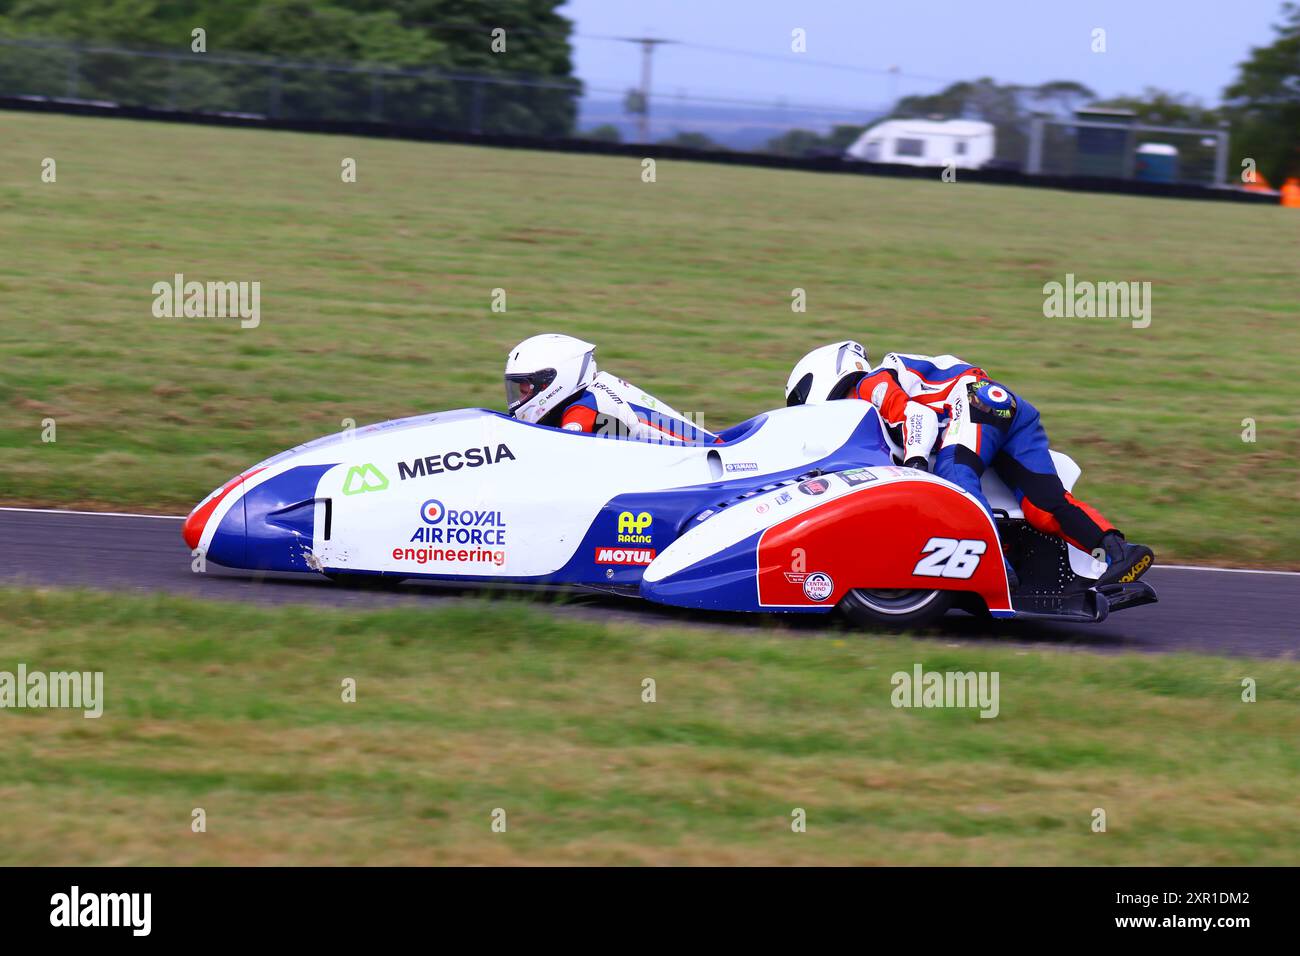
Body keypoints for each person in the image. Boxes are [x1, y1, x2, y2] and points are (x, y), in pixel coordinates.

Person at [784, 341, 1154, 588]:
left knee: (954, 480)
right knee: (1045, 505)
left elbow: (919, 417)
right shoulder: (886, 377)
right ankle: (1117, 552)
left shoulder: (868, 386)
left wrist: (912, 468)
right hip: (1008, 407)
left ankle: (995, 568)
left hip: (973, 401)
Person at [505, 334, 718, 444]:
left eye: (525, 391)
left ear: (552, 382)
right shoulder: (591, 394)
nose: (520, 399)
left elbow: (556, 456)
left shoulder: (582, 413)